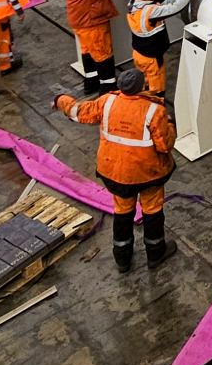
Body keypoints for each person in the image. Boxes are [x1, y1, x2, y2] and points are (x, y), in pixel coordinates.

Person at [54, 67, 177, 271]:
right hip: (148, 174)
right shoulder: (154, 110)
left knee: (123, 211)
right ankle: (156, 254)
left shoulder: (107, 102)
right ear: (142, 87)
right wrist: (170, 124)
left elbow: (78, 112)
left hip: (115, 172)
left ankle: (122, 259)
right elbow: (164, 145)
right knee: (152, 210)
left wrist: (60, 100)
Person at [125, 0, 200, 96]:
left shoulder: (134, 3)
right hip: (152, 60)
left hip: (139, 55)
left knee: (145, 84)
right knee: (157, 90)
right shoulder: (151, 12)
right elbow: (177, 7)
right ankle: (158, 111)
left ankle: (145, 104)